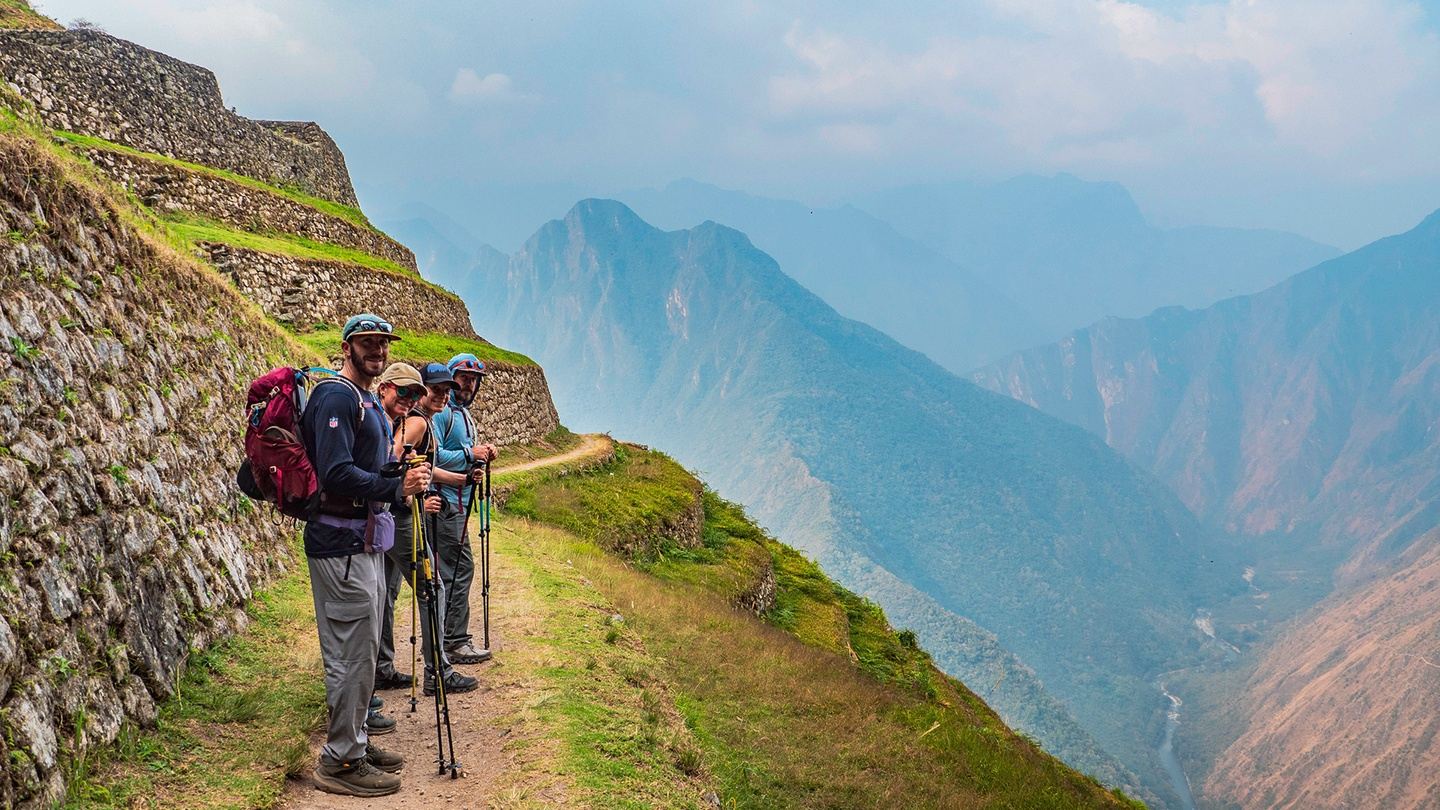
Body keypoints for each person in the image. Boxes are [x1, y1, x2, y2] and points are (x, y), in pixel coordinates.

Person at [301, 313, 427, 798]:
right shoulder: (335, 396)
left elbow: (368, 467)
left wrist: (398, 473)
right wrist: (395, 485)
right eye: (367, 342)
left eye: (382, 343)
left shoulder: (366, 399)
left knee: (365, 648)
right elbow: (335, 474)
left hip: (364, 540)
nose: (377, 349)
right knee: (352, 656)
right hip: (342, 542)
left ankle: (357, 740)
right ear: (346, 346)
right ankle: (340, 763)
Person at [374, 361, 480, 698]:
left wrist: (461, 479)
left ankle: (382, 667)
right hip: (403, 517)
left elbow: (427, 469)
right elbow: (391, 457)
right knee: (432, 587)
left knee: (387, 594)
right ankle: (438, 671)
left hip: (387, 513)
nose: (443, 395)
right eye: (436, 390)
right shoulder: (419, 422)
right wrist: (405, 493)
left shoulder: (421, 421)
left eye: (447, 390)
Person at [430, 353, 497, 664]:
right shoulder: (443, 414)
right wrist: (472, 454)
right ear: (452, 378)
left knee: (456, 570)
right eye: (463, 377)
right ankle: (454, 641)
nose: (468, 384)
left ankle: (450, 638)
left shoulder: (465, 416)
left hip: (459, 504)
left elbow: (460, 455)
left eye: (473, 380)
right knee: (457, 571)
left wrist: (479, 459)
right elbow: (435, 457)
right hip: (446, 505)